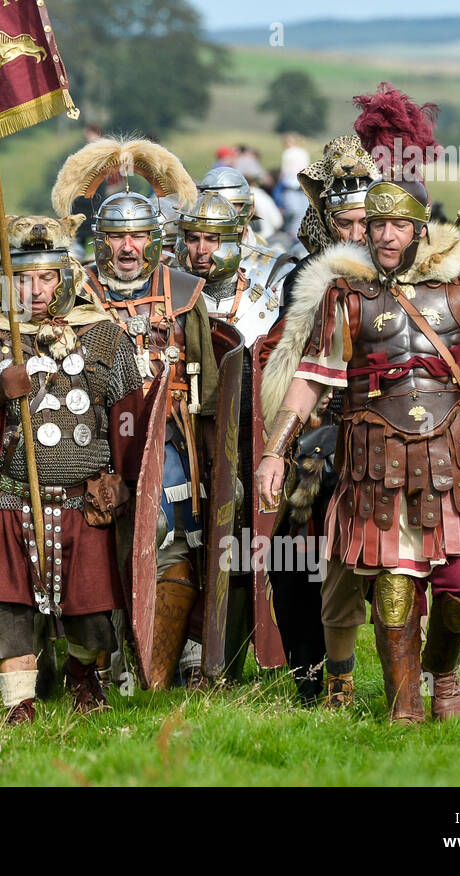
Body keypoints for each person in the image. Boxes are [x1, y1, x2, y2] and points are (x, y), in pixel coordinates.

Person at [256, 172, 460, 723]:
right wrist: (274, 452)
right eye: (377, 224)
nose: (385, 236)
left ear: (419, 229)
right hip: (376, 463)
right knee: (394, 588)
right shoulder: (344, 296)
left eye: (398, 225)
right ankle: (403, 707)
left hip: (452, 458)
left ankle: (443, 670)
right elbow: (310, 378)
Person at [0, 214, 150, 725]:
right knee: (6, 604)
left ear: (66, 277)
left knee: (91, 606)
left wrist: (123, 479)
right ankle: (19, 704)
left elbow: (128, 416)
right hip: (12, 496)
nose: (34, 290)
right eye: (23, 279)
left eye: (47, 277)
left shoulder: (102, 336)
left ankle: (85, 680)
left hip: (83, 495)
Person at [50, 138, 218, 689]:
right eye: (117, 236)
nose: (127, 247)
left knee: (169, 538)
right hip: (90, 440)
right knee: (94, 546)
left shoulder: (187, 295)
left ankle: (165, 663)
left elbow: (212, 389)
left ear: (155, 241)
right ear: (100, 241)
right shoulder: (75, 295)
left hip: (170, 440)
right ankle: (99, 663)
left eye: (138, 236)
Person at [257, 132, 381, 707]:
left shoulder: (401, 274)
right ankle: (312, 677)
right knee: (295, 554)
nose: (356, 234)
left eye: (365, 221)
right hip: (317, 431)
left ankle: (409, 678)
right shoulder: (305, 277)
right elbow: (289, 361)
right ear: (327, 221)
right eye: (345, 222)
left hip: (390, 428)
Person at [175, 187, 296, 684]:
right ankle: (185, 654)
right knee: (187, 544)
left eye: (213, 239)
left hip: (249, 447)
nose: (202, 250)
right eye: (194, 239)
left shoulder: (267, 305)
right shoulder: (172, 297)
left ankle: (233, 655)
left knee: (246, 548)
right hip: (185, 440)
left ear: (236, 240)